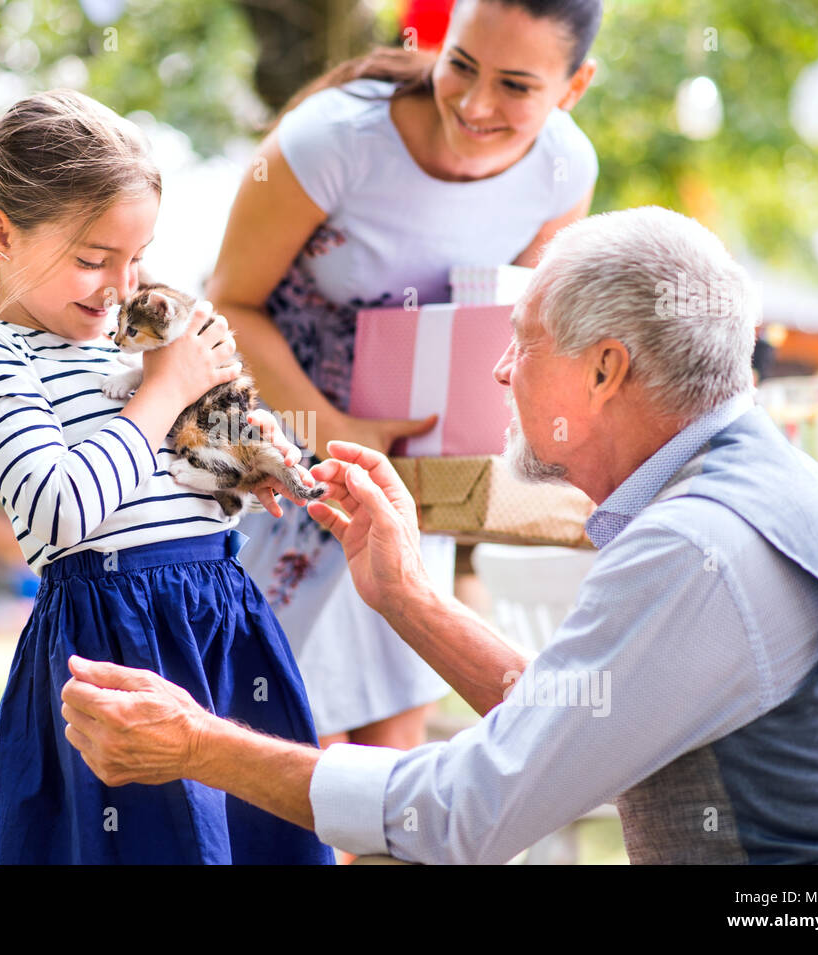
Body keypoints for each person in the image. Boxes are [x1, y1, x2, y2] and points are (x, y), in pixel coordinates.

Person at [60, 206, 818, 864]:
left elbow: (468, 813)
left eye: (521, 342)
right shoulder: (758, 485)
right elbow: (574, 728)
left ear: (606, 368)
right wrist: (407, 597)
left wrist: (198, 743)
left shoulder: (701, 547)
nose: (502, 371)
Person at [0, 90, 333, 864]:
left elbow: (168, 473)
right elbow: (60, 511)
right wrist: (164, 388)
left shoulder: (130, 338)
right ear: (0, 234)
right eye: (92, 259)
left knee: (249, 834)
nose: (119, 285)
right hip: (114, 639)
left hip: (219, 620)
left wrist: (240, 459)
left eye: (135, 257)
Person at [205, 0, 601, 750]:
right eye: (461, 64)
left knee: (393, 755)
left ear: (574, 86)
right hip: (284, 454)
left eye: (517, 85)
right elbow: (229, 302)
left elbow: (519, 334)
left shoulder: (565, 168)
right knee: (273, 730)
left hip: (417, 478)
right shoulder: (335, 136)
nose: (477, 104)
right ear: (437, 42)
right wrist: (336, 435)